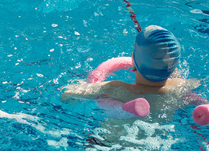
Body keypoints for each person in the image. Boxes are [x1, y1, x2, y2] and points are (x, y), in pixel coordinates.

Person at [61, 25, 200, 114]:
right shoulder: (179, 85)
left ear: (133, 64)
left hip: (110, 146)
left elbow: (69, 93)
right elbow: (197, 86)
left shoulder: (116, 88)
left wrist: (70, 91)